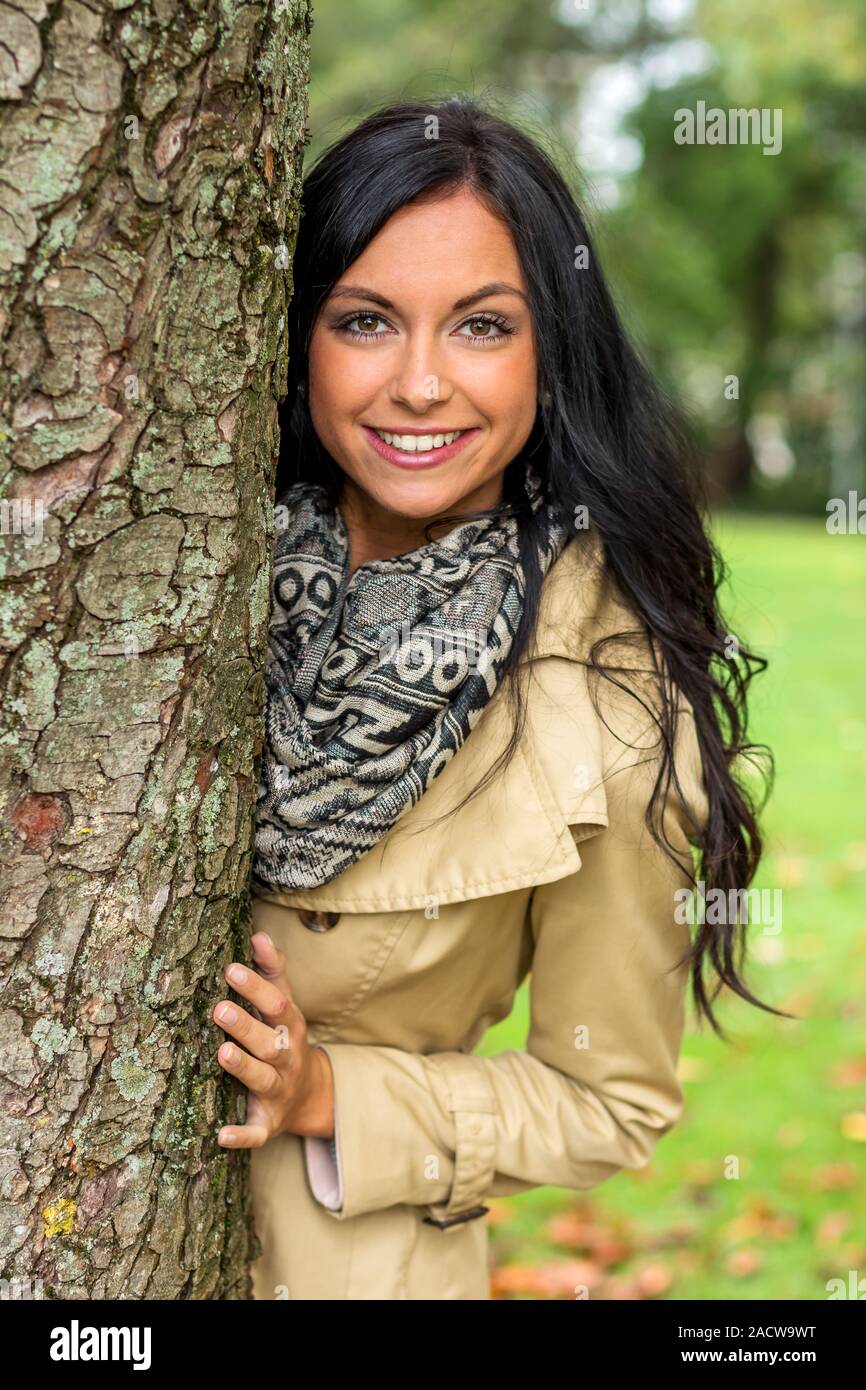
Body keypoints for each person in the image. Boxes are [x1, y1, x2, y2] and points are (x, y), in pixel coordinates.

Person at [211, 97, 785, 1300]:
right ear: (294, 332)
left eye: (480, 326)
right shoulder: (179, 570)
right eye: (364, 320)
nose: (419, 383)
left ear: (549, 349)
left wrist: (336, 1095)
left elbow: (607, 1099)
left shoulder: (608, 701)